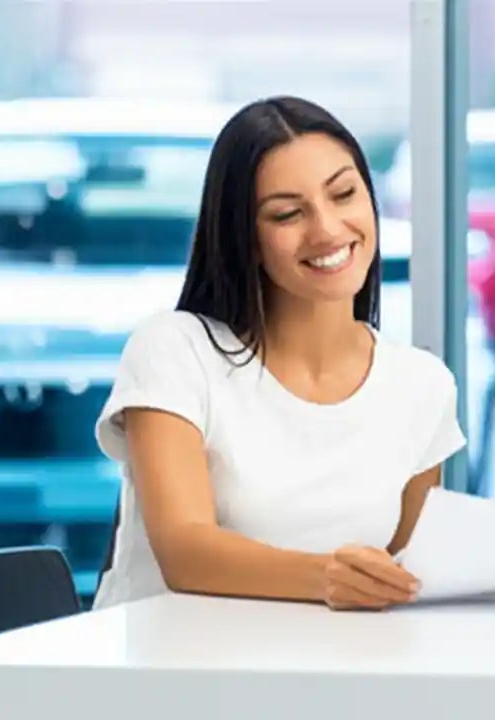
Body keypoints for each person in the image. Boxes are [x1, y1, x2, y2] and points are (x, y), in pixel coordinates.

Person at [92, 96, 465, 611]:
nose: (328, 230)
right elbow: (186, 553)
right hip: (164, 678)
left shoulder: (423, 384)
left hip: (324, 677)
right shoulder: (176, 350)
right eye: (288, 213)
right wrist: (324, 576)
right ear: (243, 236)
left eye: (344, 195)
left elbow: (406, 575)